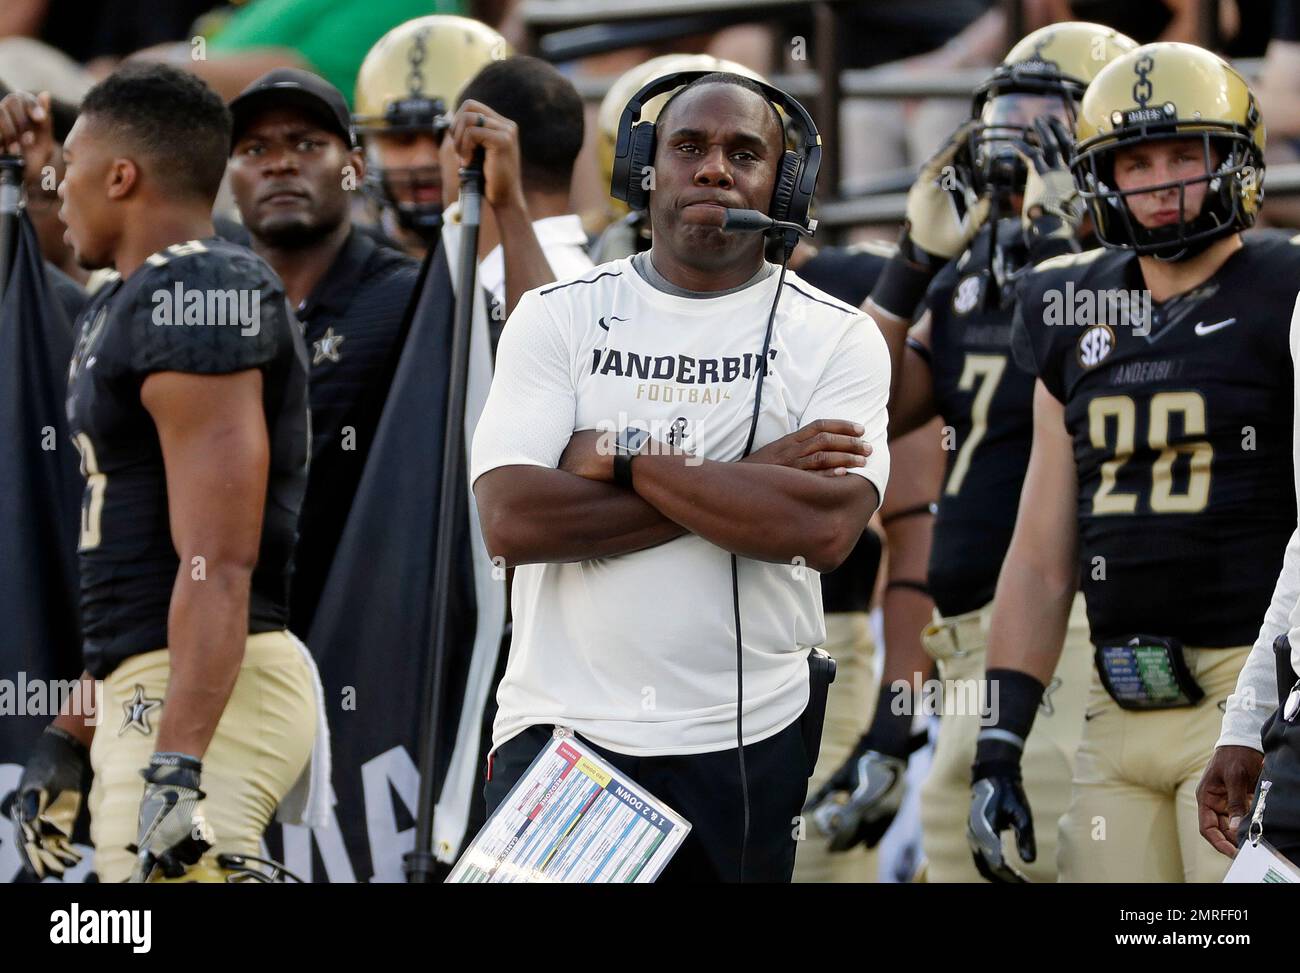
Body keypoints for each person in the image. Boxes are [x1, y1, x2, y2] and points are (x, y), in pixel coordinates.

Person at [470, 72, 890, 883]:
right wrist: (752, 478)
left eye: (745, 152)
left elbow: (823, 531)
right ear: (646, 170)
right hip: (566, 738)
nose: (714, 169)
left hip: (748, 743)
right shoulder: (556, 314)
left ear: (786, 181)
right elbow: (515, 521)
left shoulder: (839, 335)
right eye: (689, 147)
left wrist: (628, 455)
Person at [968, 41, 1299, 883]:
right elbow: (1043, 554)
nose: (1157, 180)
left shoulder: (1285, 286)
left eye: (1183, 153)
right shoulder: (1065, 300)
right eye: (1134, 159)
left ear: (1234, 158)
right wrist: (999, 740)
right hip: (1113, 701)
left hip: (1241, 693)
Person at [4, 63, 318, 883]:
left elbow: (218, 561)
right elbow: (144, 567)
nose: (57, 184)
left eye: (68, 163)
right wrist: (71, 732)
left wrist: (177, 762)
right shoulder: (127, 297)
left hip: (217, 683)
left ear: (121, 174)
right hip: (156, 676)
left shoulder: (201, 288)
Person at [861, 22, 1137, 883]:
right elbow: (857, 404)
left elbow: (1107, 378)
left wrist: (1064, 251)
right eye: (1007, 110)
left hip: (1069, 629)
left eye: (1045, 114)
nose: (1018, 138)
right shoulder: (976, 274)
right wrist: (911, 262)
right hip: (970, 648)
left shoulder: (1134, 269)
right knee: (956, 849)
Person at [225, 67, 421, 637]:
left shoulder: (409, 299)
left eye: (308, 144)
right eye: (254, 148)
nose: (280, 163)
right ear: (228, 175)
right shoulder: (208, 308)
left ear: (354, 168)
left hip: (367, 633)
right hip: (230, 631)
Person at [435, 55, 592, 323]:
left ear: (472, 146)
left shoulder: (563, 288)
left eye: (446, 132)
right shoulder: (590, 282)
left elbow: (537, 344)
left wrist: (507, 204)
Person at [352, 15, 506, 257]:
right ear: (368, 146)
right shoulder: (339, 265)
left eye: (445, 136)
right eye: (403, 140)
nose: (423, 160)